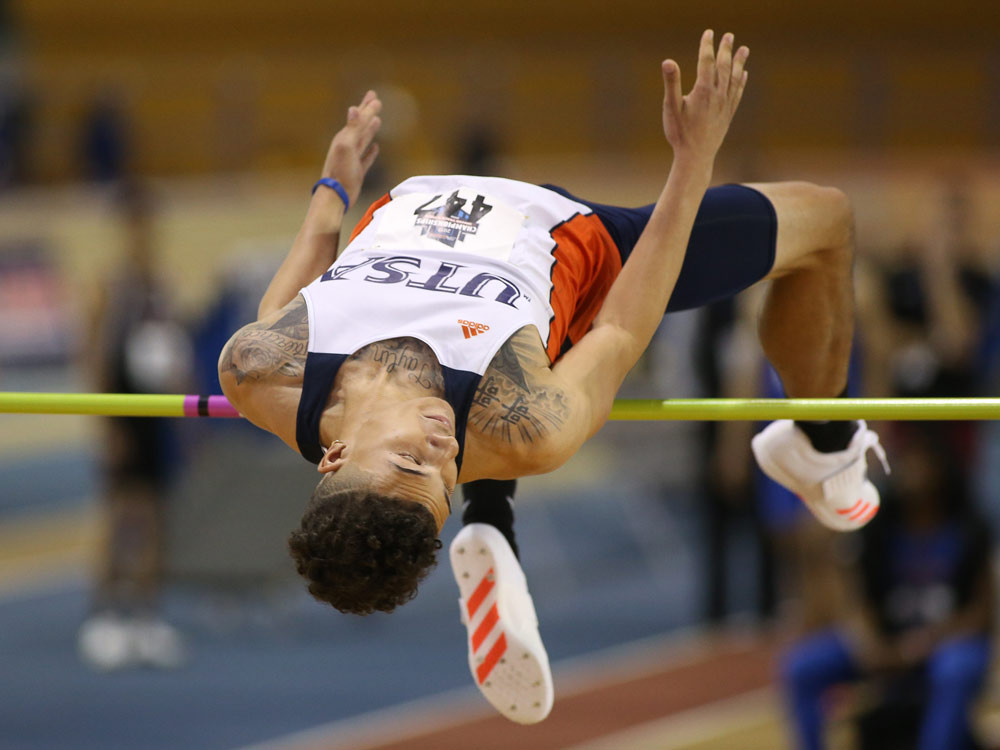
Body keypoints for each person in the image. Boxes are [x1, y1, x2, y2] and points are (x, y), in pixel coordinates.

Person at [218, 31, 887, 723]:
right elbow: (622, 328)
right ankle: (826, 437)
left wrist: (333, 188)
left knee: (484, 412)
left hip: (425, 204)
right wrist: (693, 161)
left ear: (334, 455)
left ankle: (495, 518)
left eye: (411, 456)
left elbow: (292, 297)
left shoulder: (259, 370)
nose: (440, 447)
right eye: (443, 476)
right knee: (829, 218)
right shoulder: (527, 423)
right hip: (582, 249)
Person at [781, 422, 993, 750]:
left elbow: (982, 611)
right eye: (906, 460)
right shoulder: (877, 526)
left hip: (946, 642)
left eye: (922, 460)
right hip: (886, 640)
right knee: (802, 665)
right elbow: (854, 595)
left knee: (955, 667)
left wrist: (926, 642)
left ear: (942, 465)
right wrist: (871, 643)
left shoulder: (969, 528)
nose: (913, 470)